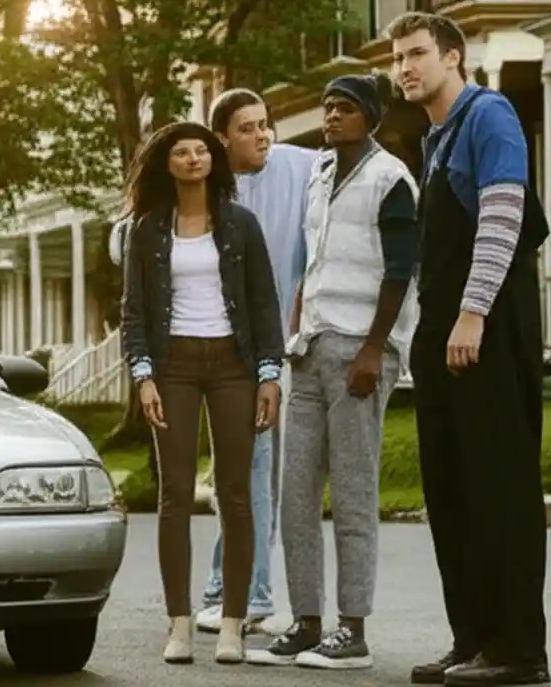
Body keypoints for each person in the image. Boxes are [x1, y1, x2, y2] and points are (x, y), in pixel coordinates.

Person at [388, 12, 551, 686]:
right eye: (398, 58)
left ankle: (518, 651)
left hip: (483, 327)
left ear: (453, 57)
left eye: (418, 53)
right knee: (452, 491)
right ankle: (473, 640)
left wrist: (473, 312)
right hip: (443, 334)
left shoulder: (491, 115)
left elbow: (504, 215)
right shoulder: (434, 137)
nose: (405, 67)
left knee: (498, 487)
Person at [246, 72, 420, 671]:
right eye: (327, 107)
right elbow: (311, 261)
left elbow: (400, 272)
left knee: (351, 492)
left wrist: (376, 349)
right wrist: (295, 331)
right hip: (312, 347)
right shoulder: (321, 175)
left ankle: (353, 629)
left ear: (370, 118)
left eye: (345, 108)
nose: (331, 116)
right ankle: (306, 621)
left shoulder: (390, 179)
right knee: (296, 493)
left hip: (361, 351)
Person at [120, 120, 285, 665]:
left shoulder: (241, 224)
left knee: (235, 493)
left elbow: (264, 303)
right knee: (175, 494)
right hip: (174, 367)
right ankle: (180, 625)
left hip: (234, 365)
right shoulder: (146, 230)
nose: (193, 159)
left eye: (201, 151)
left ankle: (234, 622)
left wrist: (269, 374)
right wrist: (143, 375)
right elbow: (134, 313)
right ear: (167, 164)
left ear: (213, 160)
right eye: (182, 152)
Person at [196, 88, 318, 636]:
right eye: (247, 127)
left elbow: (358, 168)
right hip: (211, 348)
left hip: (271, 350)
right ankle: (232, 586)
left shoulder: (299, 166)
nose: (262, 134)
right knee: (242, 472)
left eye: (265, 123)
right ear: (223, 137)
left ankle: (249, 593)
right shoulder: (202, 184)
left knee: (251, 470)